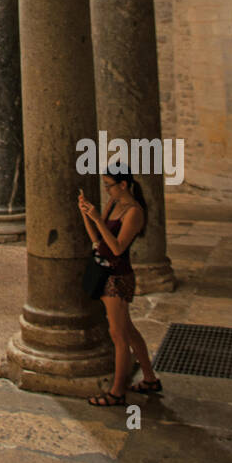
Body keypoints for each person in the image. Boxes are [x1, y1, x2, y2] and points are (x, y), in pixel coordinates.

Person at [77, 164, 163, 406]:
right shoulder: (113, 204)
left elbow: (117, 248)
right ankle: (149, 378)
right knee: (129, 330)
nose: (107, 190)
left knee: (118, 335)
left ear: (123, 184)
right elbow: (97, 239)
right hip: (102, 270)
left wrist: (97, 219)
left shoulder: (134, 212)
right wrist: (86, 214)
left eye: (109, 185)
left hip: (117, 276)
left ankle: (117, 392)